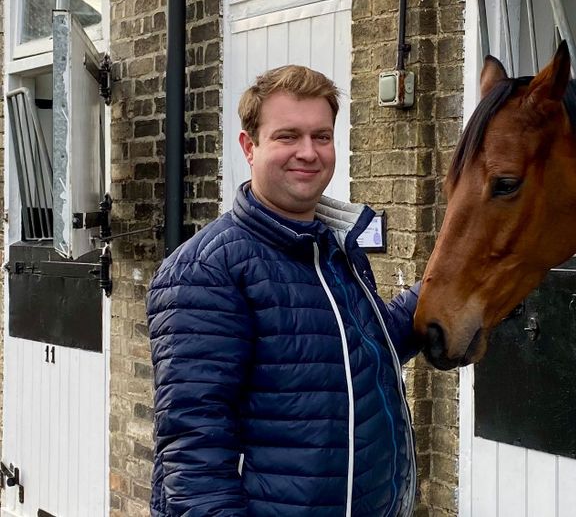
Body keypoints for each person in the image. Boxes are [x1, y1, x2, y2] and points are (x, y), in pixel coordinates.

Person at [147, 65, 419, 517]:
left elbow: (360, 350)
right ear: (249, 147)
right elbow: (195, 449)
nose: (308, 153)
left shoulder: (335, 247)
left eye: (322, 136)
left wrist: (445, 290)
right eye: (287, 136)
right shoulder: (206, 270)